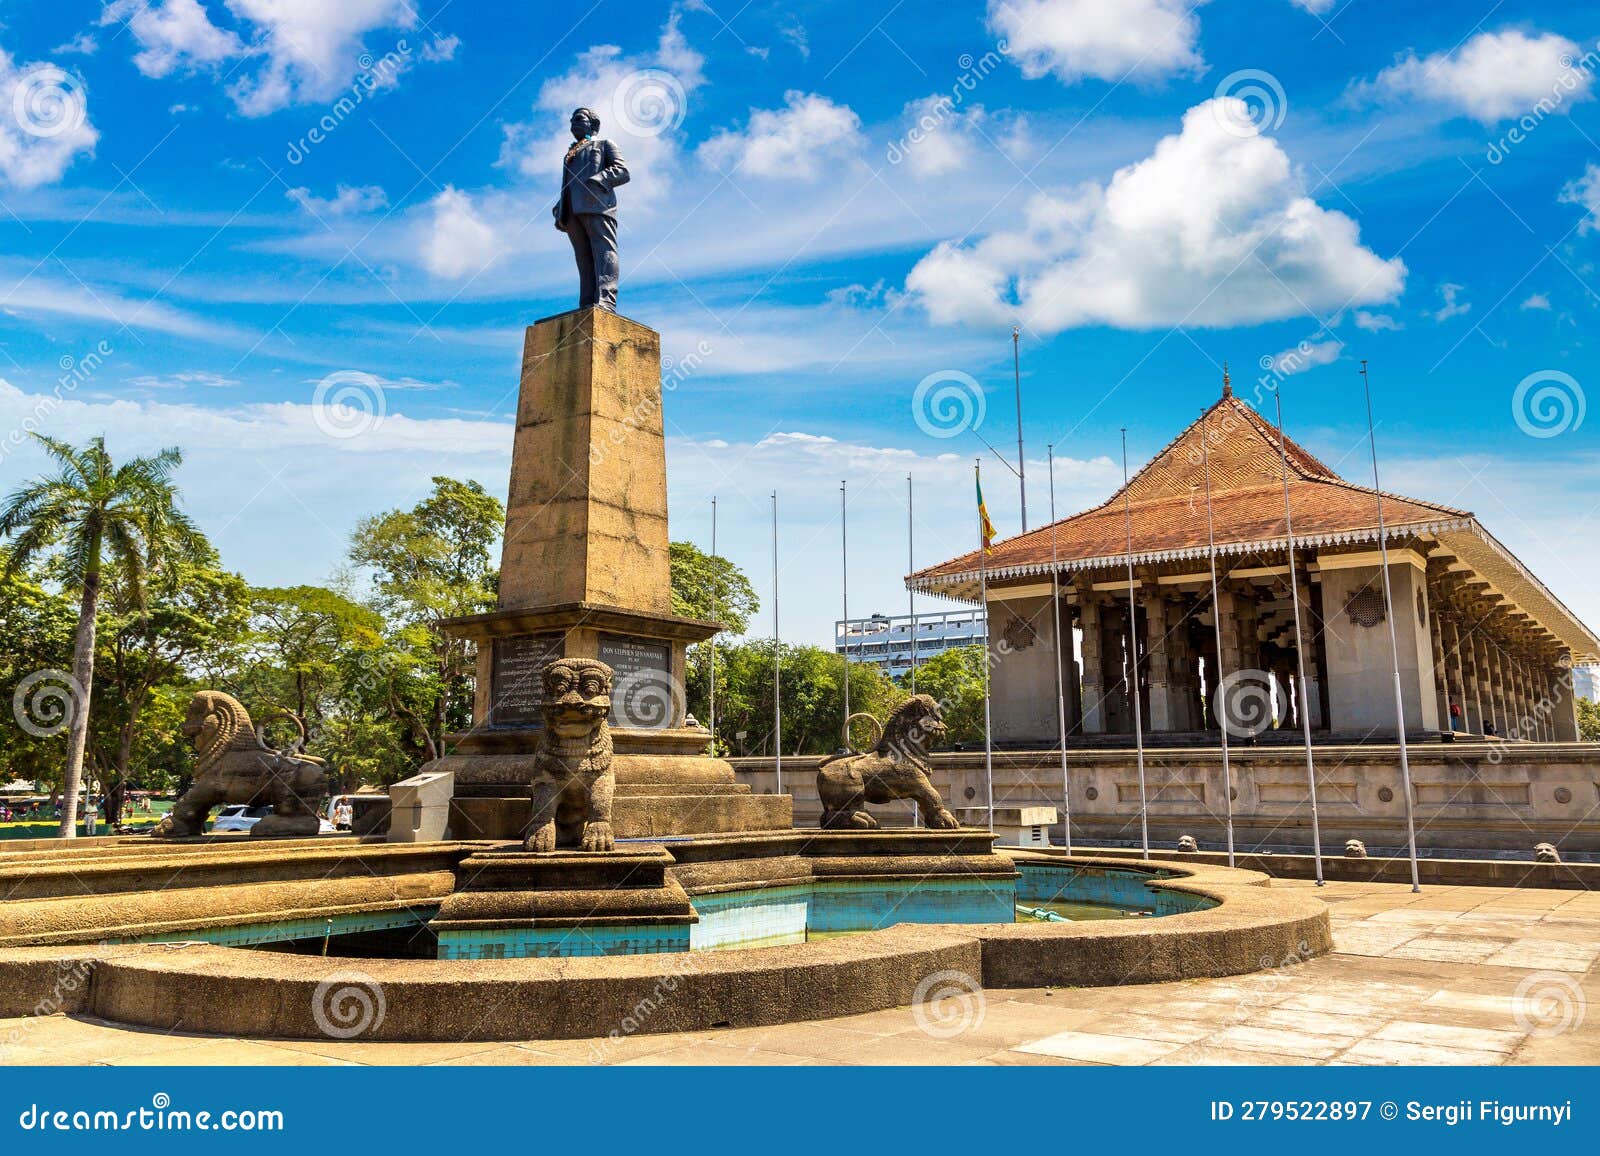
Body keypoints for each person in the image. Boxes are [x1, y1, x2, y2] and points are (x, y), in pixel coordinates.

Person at [552, 107, 629, 312]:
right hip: (572, 213)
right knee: (583, 257)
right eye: (571, 120)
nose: (573, 123)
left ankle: (606, 300)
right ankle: (587, 302)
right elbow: (567, 185)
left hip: (598, 206)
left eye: (579, 119)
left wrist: (598, 180)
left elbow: (622, 171)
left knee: (604, 252)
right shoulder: (569, 155)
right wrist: (561, 206)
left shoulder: (604, 145)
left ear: (593, 125)